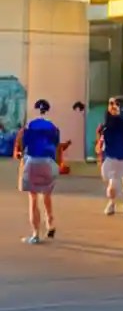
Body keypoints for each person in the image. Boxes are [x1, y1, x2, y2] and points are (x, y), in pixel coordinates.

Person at [14, 99, 59, 244]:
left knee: (33, 199)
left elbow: (22, 142)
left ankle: (35, 234)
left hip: (33, 161)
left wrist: (19, 153)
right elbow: (56, 144)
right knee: (47, 194)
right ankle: (50, 222)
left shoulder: (30, 126)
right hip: (48, 162)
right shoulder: (53, 127)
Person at [97, 96, 123, 216]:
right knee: (112, 183)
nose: (112, 107)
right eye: (110, 104)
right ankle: (112, 203)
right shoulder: (107, 121)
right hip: (112, 157)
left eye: (115, 104)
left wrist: (121, 116)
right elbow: (102, 135)